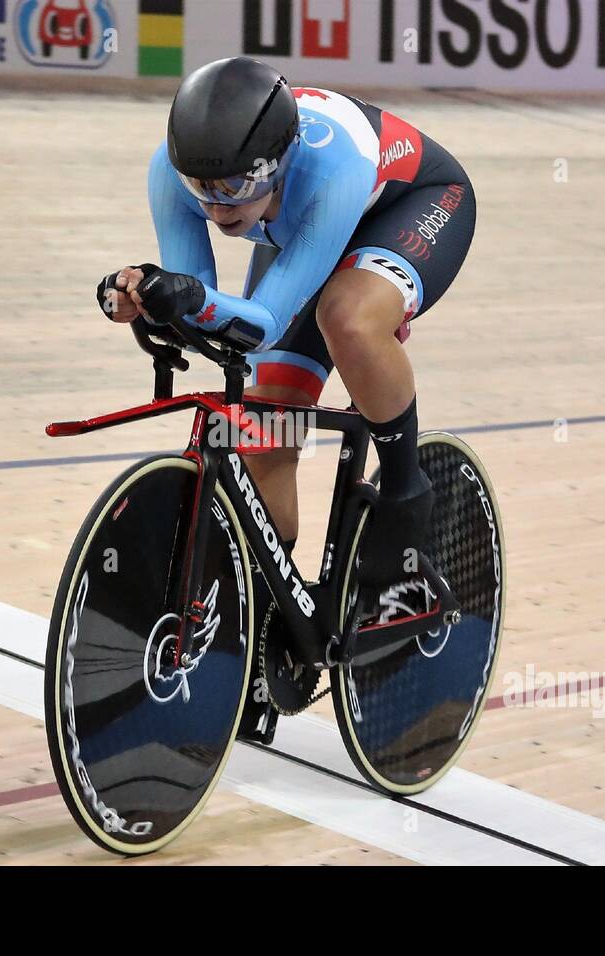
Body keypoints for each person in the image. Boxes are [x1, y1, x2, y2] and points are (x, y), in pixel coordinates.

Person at [96, 56, 475, 628]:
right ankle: (269, 620)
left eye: (234, 187)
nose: (217, 205)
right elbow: (210, 329)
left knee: (346, 316)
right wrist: (154, 302)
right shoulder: (175, 172)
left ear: (278, 162)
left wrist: (187, 299)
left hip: (412, 206)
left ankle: (405, 492)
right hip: (301, 225)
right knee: (270, 423)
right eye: (201, 188)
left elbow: (264, 321)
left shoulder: (331, 169)